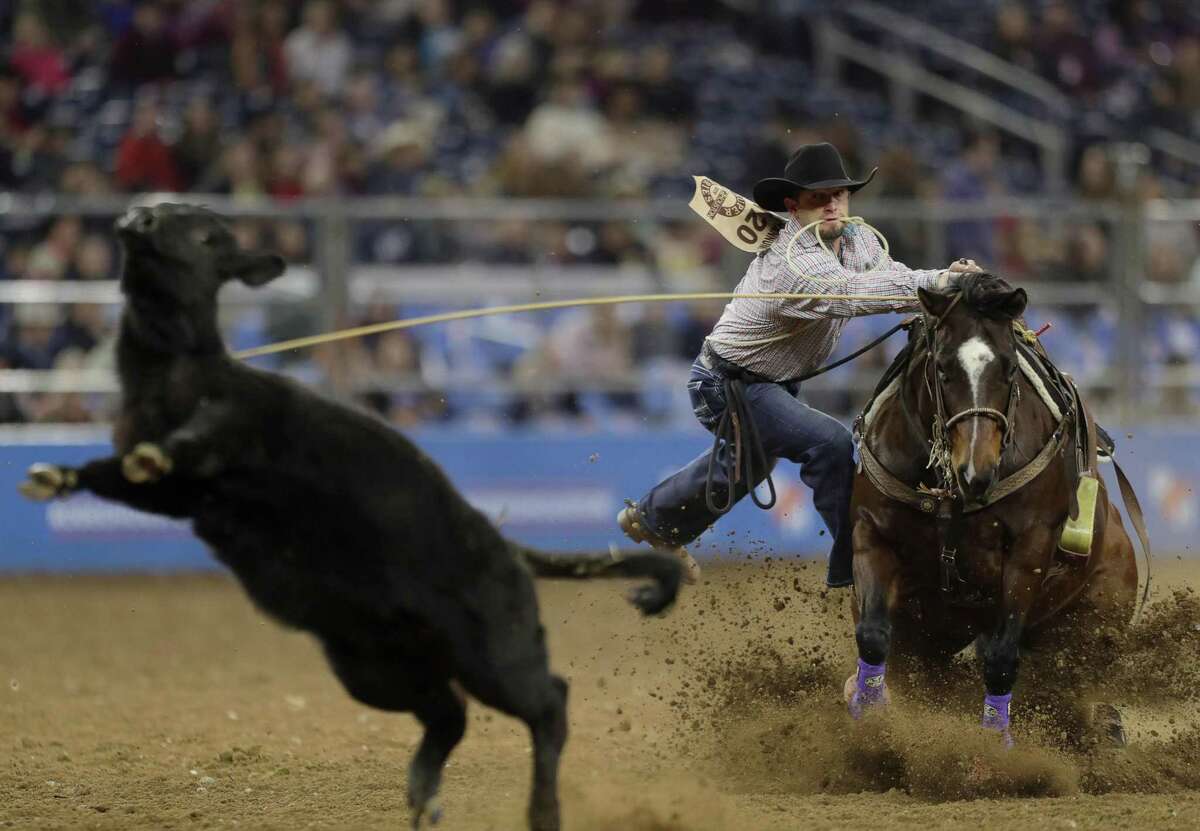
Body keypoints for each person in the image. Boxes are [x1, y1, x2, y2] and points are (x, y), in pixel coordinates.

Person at [618, 142, 981, 585]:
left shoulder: (858, 237)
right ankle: (857, 564)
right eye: (818, 198)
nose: (832, 205)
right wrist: (940, 281)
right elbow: (847, 293)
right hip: (727, 383)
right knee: (828, 444)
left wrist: (938, 285)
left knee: (747, 466)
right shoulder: (789, 262)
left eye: (839, 195)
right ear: (792, 206)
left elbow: (885, 276)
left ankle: (652, 520)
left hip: (766, 383)